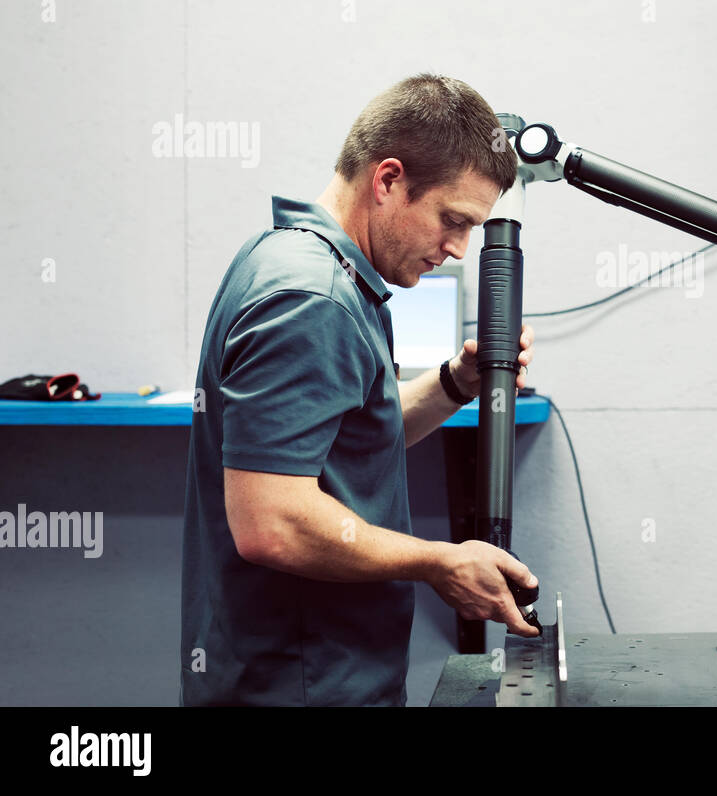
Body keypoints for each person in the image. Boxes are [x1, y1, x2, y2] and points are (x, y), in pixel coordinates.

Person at [180, 74, 538, 706]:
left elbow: (352, 440)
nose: (457, 250)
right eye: (452, 221)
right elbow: (271, 522)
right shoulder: (312, 299)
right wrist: (438, 562)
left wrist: (458, 381)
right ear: (388, 180)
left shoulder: (309, 264)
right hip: (302, 686)